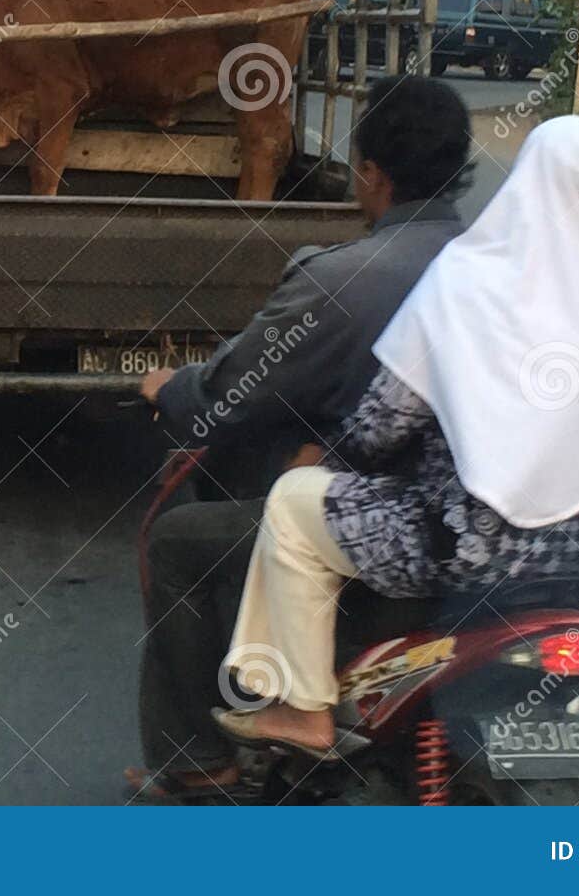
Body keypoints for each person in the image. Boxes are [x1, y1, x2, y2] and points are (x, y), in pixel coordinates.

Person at [214, 115, 579, 756]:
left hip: (470, 553)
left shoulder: (471, 277)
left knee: (291, 504)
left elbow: (382, 425)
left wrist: (327, 463)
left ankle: (302, 707)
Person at [127, 76, 474, 801]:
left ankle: (199, 763)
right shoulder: (501, 273)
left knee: (180, 540)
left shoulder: (343, 282)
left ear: (371, 174)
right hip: (516, 532)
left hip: (406, 523)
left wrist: (174, 392)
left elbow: (231, 398)